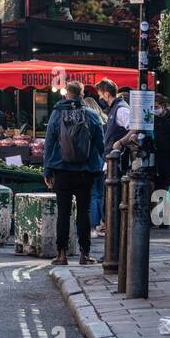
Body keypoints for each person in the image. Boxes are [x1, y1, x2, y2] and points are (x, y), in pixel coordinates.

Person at [43, 79, 104, 266]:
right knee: (84, 212)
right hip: (86, 171)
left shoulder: (57, 113)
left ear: (66, 94)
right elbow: (100, 143)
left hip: (61, 170)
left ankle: (61, 254)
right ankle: (84, 254)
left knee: (63, 212)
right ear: (82, 95)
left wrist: (47, 170)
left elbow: (49, 141)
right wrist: (95, 161)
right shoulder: (92, 114)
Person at [82, 87, 107, 238]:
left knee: (92, 195)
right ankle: (102, 224)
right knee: (101, 194)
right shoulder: (104, 119)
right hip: (103, 161)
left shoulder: (86, 119)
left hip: (91, 161)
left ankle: (93, 226)